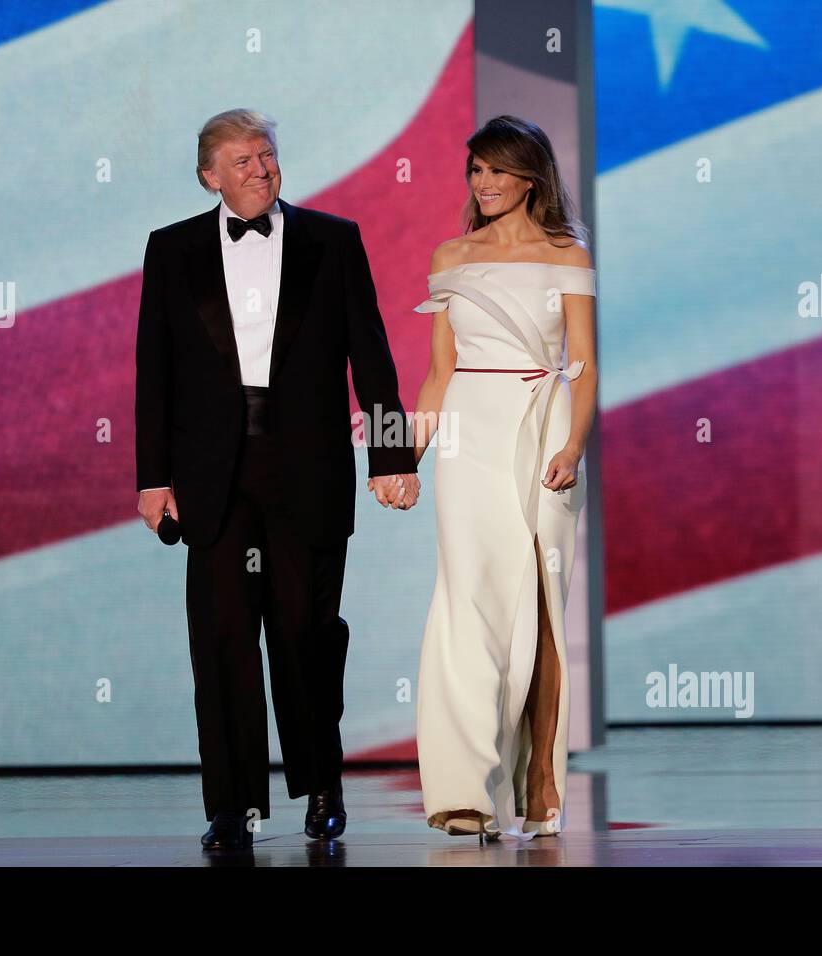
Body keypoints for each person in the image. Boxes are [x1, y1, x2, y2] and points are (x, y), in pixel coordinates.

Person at [134, 108, 420, 851]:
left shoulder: (334, 240)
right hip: (212, 478)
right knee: (223, 639)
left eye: (266, 156)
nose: (260, 169)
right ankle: (230, 807)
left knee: (307, 637)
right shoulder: (172, 250)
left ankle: (323, 786)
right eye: (241, 161)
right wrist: (151, 477)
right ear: (209, 177)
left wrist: (391, 458)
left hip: (310, 470)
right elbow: (153, 372)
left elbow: (375, 359)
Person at [411, 115, 598, 840]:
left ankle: (542, 776)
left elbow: (581, 362)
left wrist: (575, 444)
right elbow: (436, 373)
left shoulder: (567, 254)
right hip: (467, 432)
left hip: (545, 426)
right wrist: (401, 458)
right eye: (475, 171)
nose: (482, 184)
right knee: (466, 601)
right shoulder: (451, 255)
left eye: (496, 171)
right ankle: (462, 790)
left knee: (545, 603)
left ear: (531, 177)